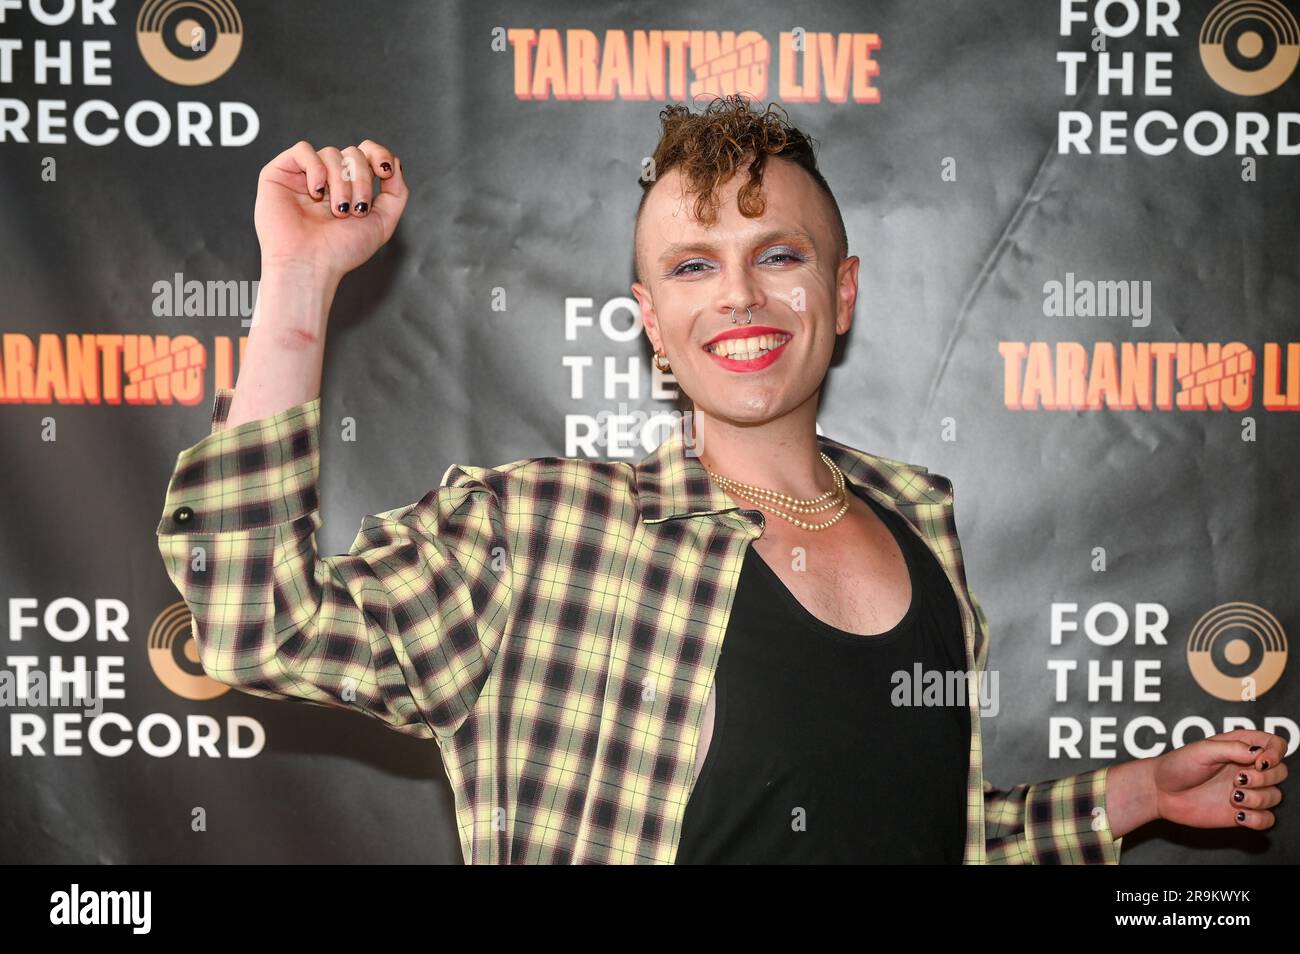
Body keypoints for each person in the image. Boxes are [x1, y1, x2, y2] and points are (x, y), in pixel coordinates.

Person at [156, 95, 1288, 864]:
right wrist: (298, 283)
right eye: (693, 268)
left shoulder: (922, 527)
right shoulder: (535, 530)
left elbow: (913, 835)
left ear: (842, 293)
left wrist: (1131, 798)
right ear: (652, 325)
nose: (738, 298)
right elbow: (253, 622)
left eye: (777, 256)